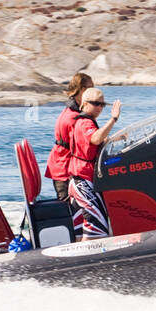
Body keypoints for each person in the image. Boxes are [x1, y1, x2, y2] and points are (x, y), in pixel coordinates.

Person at [67, 86, 121, 239]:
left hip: (77, 182)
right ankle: (93, 260)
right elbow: (95, 138)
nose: (99, 108)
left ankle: (79, 259)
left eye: (102, 105)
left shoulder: (84, 122)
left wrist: (113, 140)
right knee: (97, 228)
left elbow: (93, 144)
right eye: (96, 104)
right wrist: (113, 119)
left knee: (82, 230)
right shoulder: (85, 123)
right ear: (84, 103)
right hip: (84, 182)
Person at [45, 72, 92, 200]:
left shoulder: (70, 111)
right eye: (91, 88)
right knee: (70, 209)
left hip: (60, 165)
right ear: (82, 90)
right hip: (64, 169)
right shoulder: (74, 117)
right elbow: (82, 146)